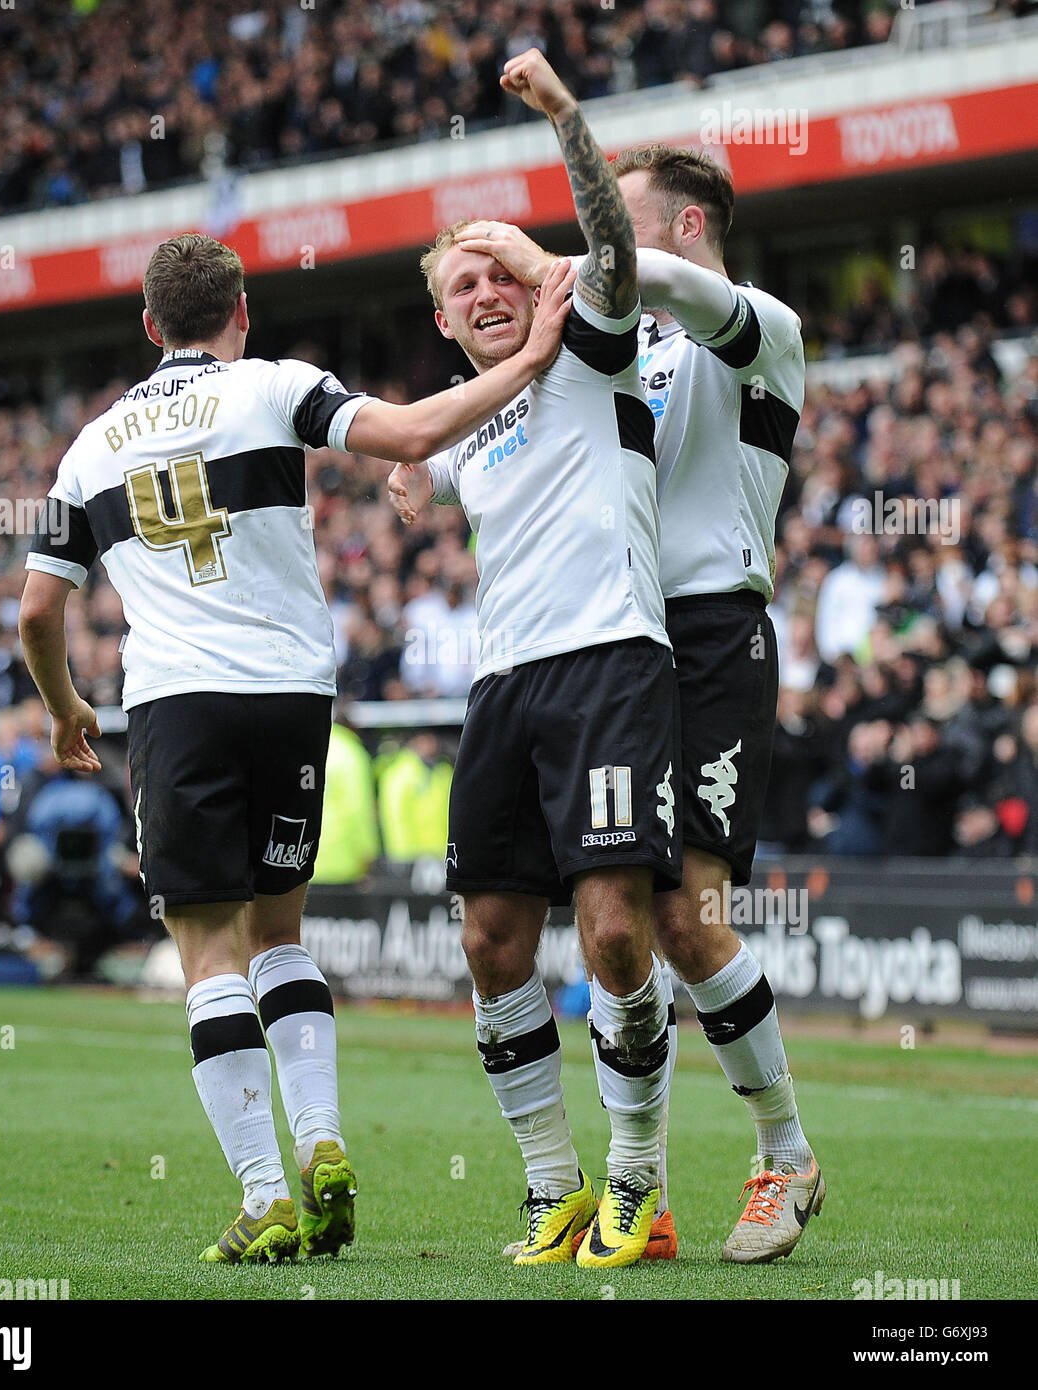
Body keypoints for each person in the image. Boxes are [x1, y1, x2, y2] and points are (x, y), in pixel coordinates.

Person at [19, 231, 574, 1265]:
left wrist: (63, 708)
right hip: (291, 695)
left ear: (150, 328)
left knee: (207, 954)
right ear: (242, 311)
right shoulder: (276, 385)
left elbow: (40, 610)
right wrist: (530, 358)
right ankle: (321, 1139)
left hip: (181, 703)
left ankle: (269, 1192)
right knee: (281, 936)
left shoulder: (91, 446)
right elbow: (412, 431)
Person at [456, 140, 824, 1263]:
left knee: (685, 918)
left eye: (622, 219)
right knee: (613, 923)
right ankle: (638, 1188)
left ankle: (785, 1153)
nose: (603, 240)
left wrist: (543, 252)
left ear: (690, 227)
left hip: (712, 629)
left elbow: (634, 276)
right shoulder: (619, 346)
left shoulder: (760, 325)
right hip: (620, 638)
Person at [389, 50, 680, 1269]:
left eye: (500, 271)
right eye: (464, 285)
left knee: (615, 932)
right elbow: (412, 466)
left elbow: (607, 250)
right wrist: (409, 469)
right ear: (446, 321)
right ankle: (552, 1186)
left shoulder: (596, 340)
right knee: (491, 939)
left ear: (532, 280)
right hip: (504, 688)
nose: (487, 292)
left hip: (610, 658)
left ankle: (639, 1182)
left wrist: (564, 124)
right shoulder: (479, 410)